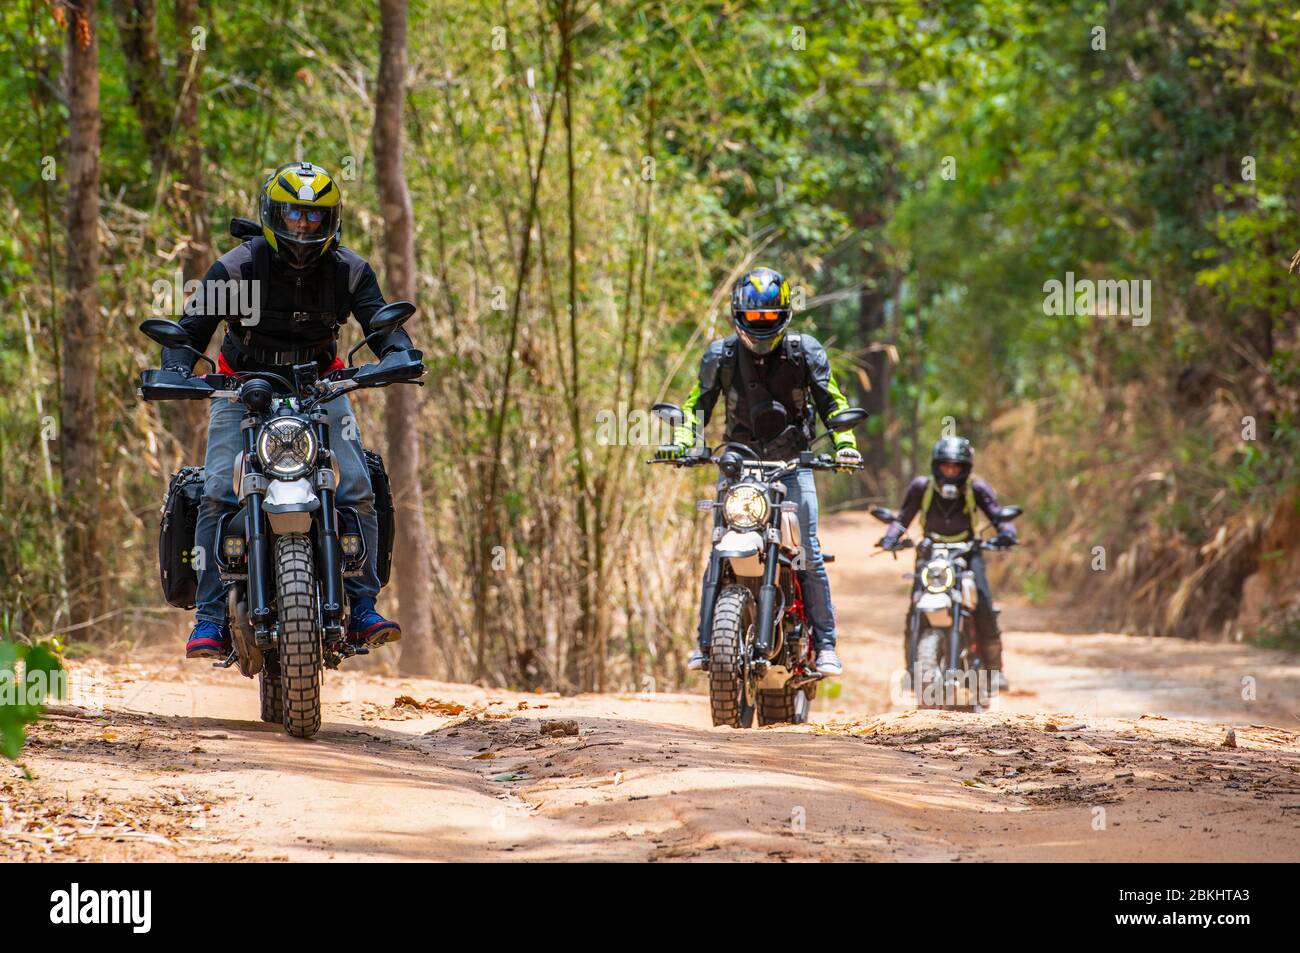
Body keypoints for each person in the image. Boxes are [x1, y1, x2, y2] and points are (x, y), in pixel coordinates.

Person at [163, 161, 410, 658]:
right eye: (294, 215)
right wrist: (174, 367)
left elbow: (384, 330)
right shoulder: (237, 268)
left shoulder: (349, 270)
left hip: (322, 385)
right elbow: (187, 333)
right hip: (239, 387)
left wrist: (399, 355)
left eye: (314, 217)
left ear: (331, 220)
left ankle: (361, 606)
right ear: (273, 214)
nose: (303, 226)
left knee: (356, 485)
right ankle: (210, 615)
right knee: (216, 490)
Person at [656, 267, 862, 676]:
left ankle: (825, 646)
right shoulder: (721, 356)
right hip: (737, 467)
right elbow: (697, 406)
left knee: (808, 553)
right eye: (755, 317)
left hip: (792, 467)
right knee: (718, 549)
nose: (762, 324)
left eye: (770, 318)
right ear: (739, 314)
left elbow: (833, 404)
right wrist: (683, 443)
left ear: (784, 315)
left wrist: (845, 445)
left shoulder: (806, 353)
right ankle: (705, 645)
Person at [878, 435, 1017, 689]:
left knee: (983, 602)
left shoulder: (977, 489)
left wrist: (1007, 534)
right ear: (936, 466)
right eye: (945, 466)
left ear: (965, 469)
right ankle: (912, 671)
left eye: (956, 467)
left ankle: (995, 670)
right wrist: (890, 539)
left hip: (967, 552)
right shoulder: (921, 487)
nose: (951, 472)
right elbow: (902, 519)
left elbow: (999, 516)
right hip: (931, 554)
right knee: (915, 608)